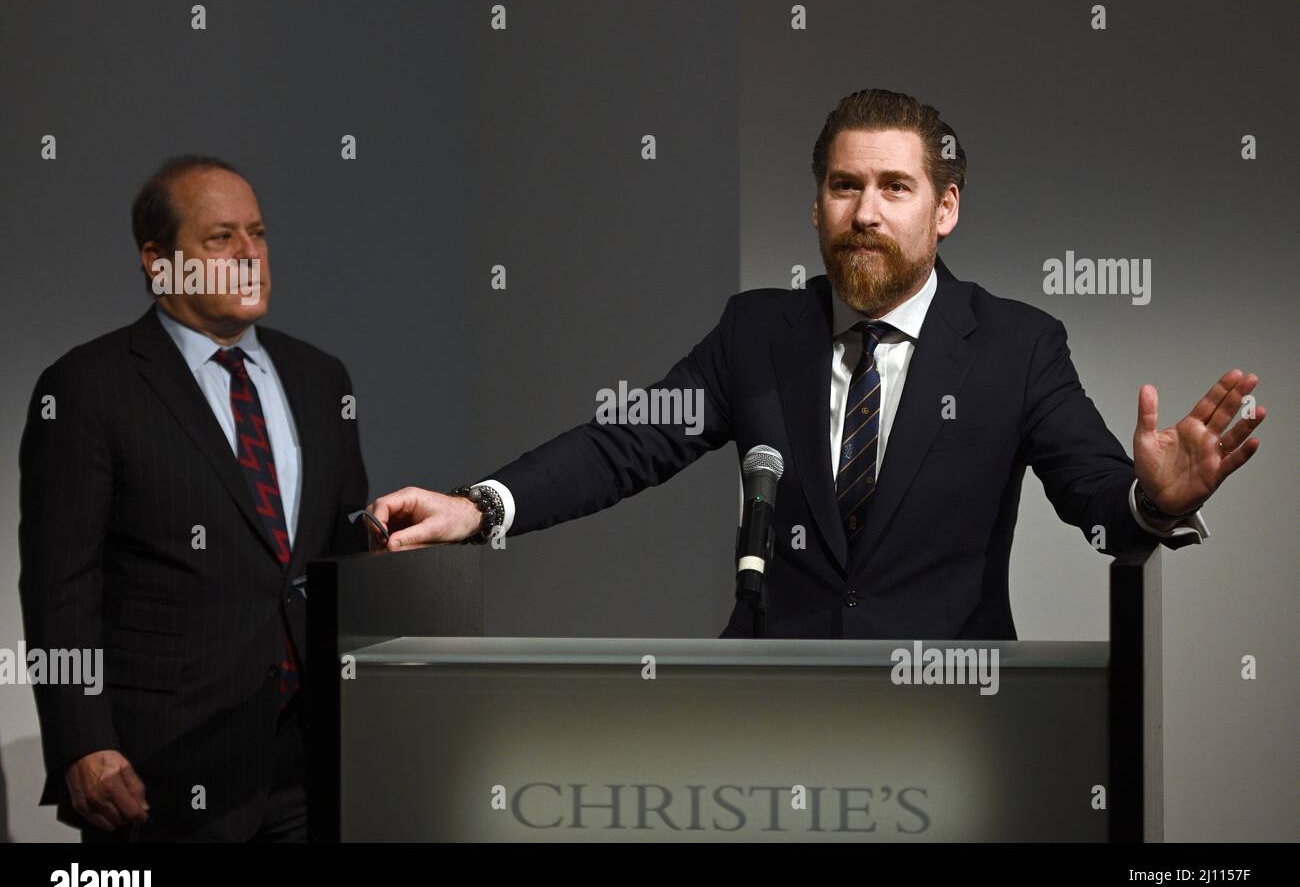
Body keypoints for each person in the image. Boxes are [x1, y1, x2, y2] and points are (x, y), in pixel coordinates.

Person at [367, 88, 1264, 639]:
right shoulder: (758, 333)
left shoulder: (1017, 346)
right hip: (771, 706)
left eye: (893, 187)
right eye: (844, 186)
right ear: (816, 207)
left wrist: (1153, 501)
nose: (864, 211)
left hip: (952, 713)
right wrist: (479, 505)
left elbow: (1095, 498)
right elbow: (625, 444)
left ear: (945, 208)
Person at [19, 155, 369, 841]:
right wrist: (81, 744)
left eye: (259, 233)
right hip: (161, 769)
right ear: (158, 262)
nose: (250, 254)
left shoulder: (323, 379)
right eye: (221, 238)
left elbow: (345, 558)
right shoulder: (89, 387)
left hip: (309, 763)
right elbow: (61, 584)